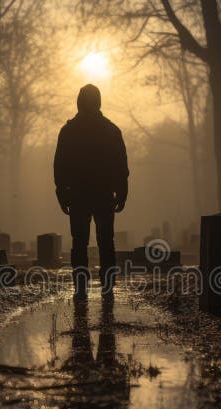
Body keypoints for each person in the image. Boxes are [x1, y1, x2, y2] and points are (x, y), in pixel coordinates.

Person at [54, 84, 129, 295]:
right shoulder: (111, 130)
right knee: (105, 239)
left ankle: (80, 286)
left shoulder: (68, 131)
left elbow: (60, 165)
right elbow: (120, 165)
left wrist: (62, 192)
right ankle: (107, 284)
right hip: (103, 193)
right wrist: (121, 192)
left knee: (80, 241)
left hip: (78, 194)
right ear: (99, 102)